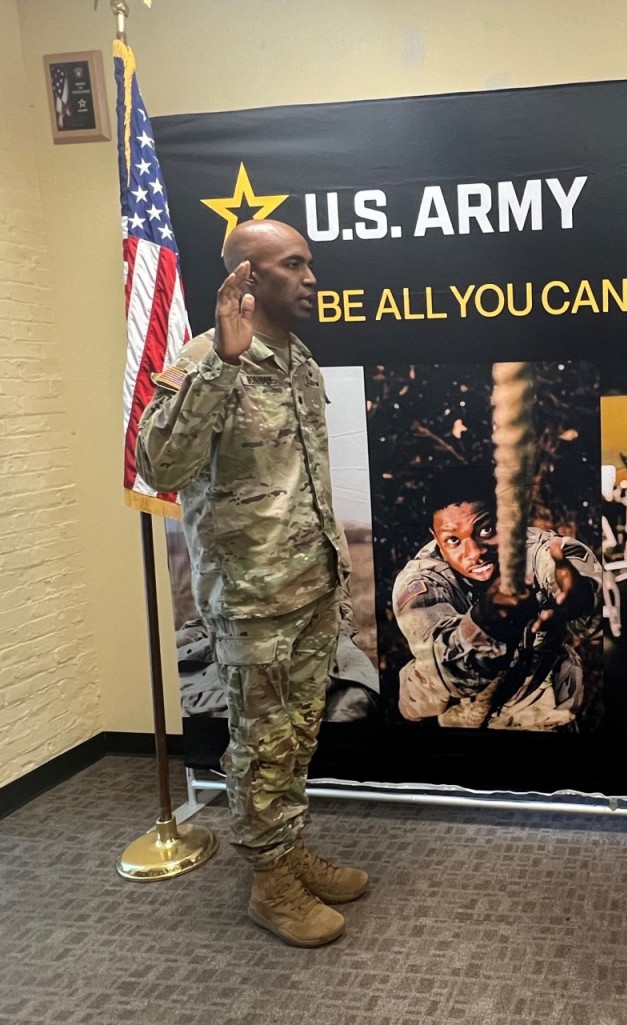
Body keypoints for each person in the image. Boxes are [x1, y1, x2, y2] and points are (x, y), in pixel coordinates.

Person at [136, 219, 367, 948]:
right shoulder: (205, 361)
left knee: (296, 737)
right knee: (261, 743)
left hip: (308, 589)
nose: (311, 278)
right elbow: (159, 467)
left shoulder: (299, 359)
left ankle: (289, 850)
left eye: (310, 264)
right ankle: (270, 883)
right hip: (252, 601)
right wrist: (222, 366)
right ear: (246, 278)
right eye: (293, 265)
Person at [393, 465, 602, 730]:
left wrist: (579, 597)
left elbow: (573, 584)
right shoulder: (423, 582)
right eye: (453, 541)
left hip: (535, 708)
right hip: (452, 717)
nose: (474, 552)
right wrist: (483, 620)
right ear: (435, 538)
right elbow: (446, 672)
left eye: (486, 530)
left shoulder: (541, 549)